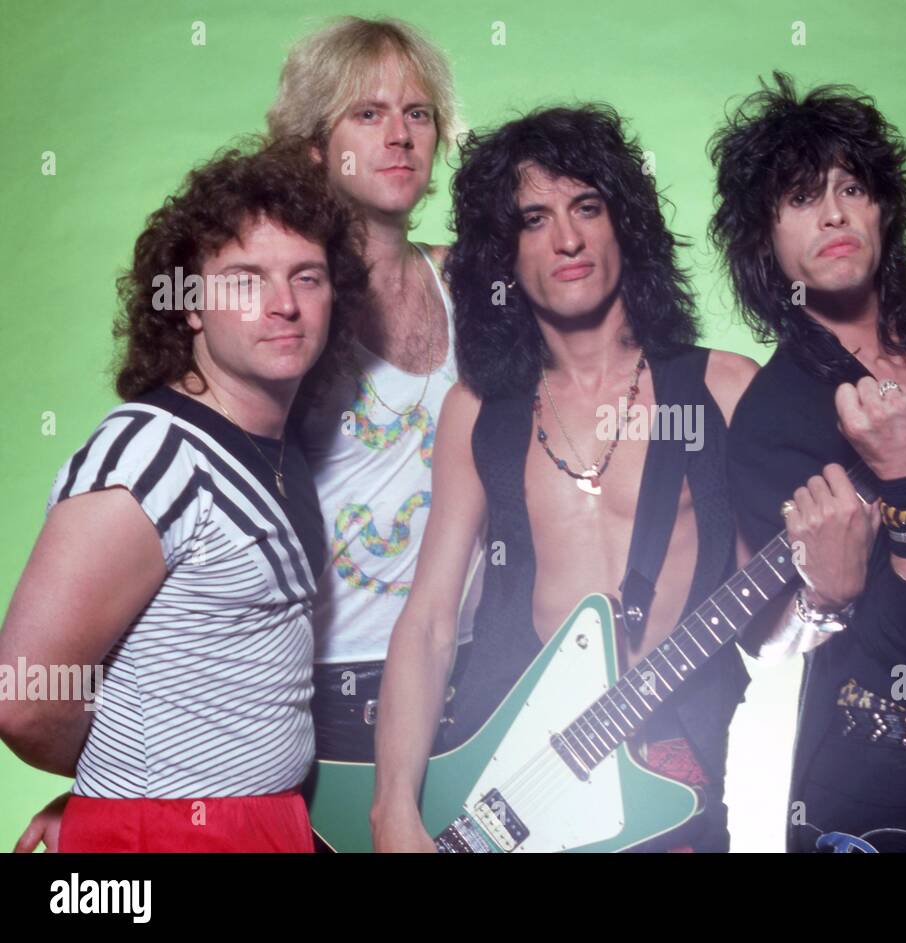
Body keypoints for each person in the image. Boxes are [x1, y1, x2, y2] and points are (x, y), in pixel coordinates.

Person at [369, 104, 758, 852]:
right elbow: (429, 621)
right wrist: (392, 810)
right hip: (507, 783)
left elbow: (776, 623)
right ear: (504, 254)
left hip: (672, 777)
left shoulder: (725, 389)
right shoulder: (477, 411)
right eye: (534, 219)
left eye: (587, 207)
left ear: (625, 225)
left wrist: (827, 600)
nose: (567, 240)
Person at [0, 140, 366, 851]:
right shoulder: (150, 453)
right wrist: (119, 793)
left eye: (307, 276)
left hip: (269, 825)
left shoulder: (284, 449)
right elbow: (24, 697)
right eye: (245, 280)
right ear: (190, 305)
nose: (284, 304)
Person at [716, 73, 906, 852]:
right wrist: (830, 589)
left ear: (884, 207)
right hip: (878, 776)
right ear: (763, 241)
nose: (834, 214)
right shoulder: (775, 416)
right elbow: (868, 645)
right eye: (801, 198)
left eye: (851, 187)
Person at [266, 15, 480, 767]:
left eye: (417, 113)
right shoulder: (281, 308)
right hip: (328, 680)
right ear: (313, 147)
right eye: (368, 113)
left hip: (475, 669)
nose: (399, 136)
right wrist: (112, 775)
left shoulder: (471, 284)